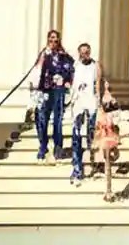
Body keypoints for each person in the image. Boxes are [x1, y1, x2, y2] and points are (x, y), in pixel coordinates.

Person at [34, 29, 74, 164]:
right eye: (51, 39)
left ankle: (58, 146)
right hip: (44, 89)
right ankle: (43, 145)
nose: (53, 42)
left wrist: (67, 80)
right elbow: (37, 68)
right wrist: (44, 55)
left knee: (57, 119)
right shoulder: (44, 54)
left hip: (58, 90)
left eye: (55, 40)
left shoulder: (64, 56)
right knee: (41, 118)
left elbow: (71, 69)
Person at [69, 43, 103, 184]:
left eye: (87, 51)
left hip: (91, 103)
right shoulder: (75, 66)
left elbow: (98, 83)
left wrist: (98, 100)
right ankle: (77, 168)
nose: (85, 54)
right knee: (76, 134)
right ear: (79, 53)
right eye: (82, 52)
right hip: (78, 103)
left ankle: (92, 163)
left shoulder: (95, 65)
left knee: (91, 134)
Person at [94, 94, 123, 202]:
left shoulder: (101, 116)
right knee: (109, 166)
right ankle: (109, 191)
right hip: (110, 140)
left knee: (108, 167)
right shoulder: (111, 117)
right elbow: (115, 128)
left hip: (104, 140)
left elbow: (97, 129)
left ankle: (108, 190)